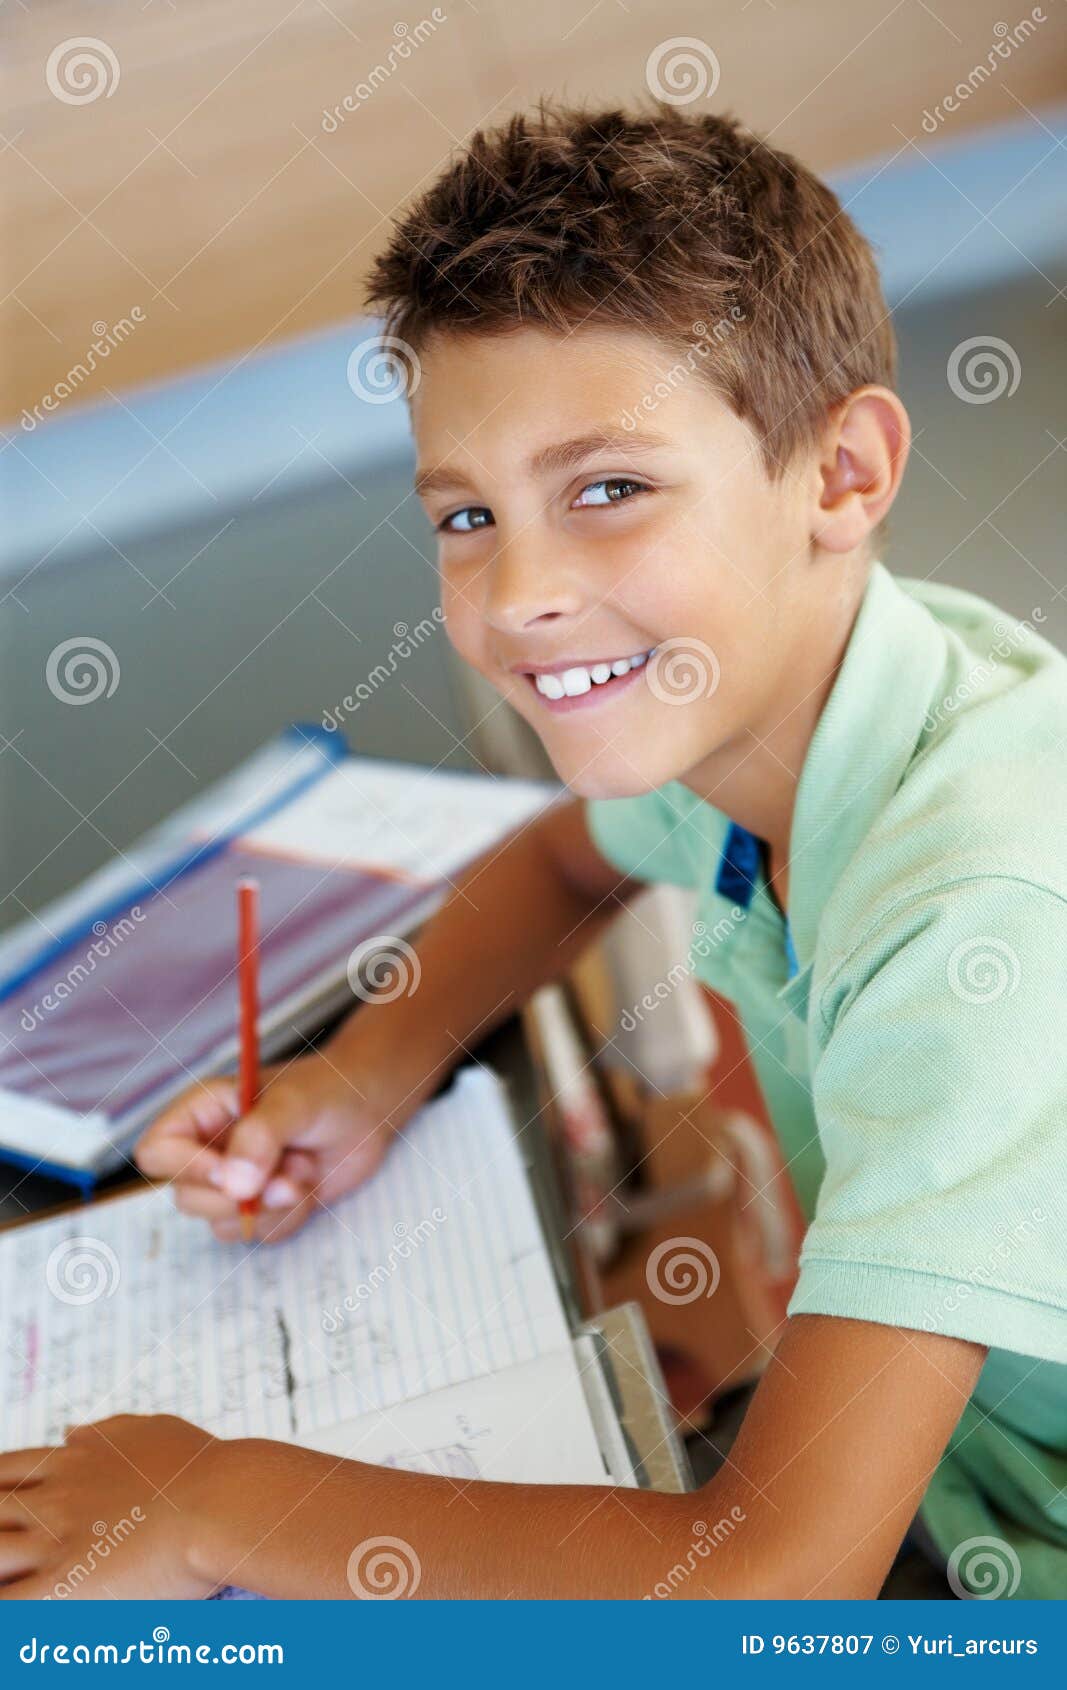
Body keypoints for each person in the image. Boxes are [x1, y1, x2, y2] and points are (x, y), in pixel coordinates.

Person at [1, 99, 1063, 1601]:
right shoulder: (775, 699)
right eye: (465, 516)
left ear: (843, 473)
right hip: (947, 1469)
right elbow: (567, 859)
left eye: (608, 489)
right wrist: (364, 1077)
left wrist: (207, 1498)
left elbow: (774, 1583)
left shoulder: (986, 913)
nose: (516, 597)